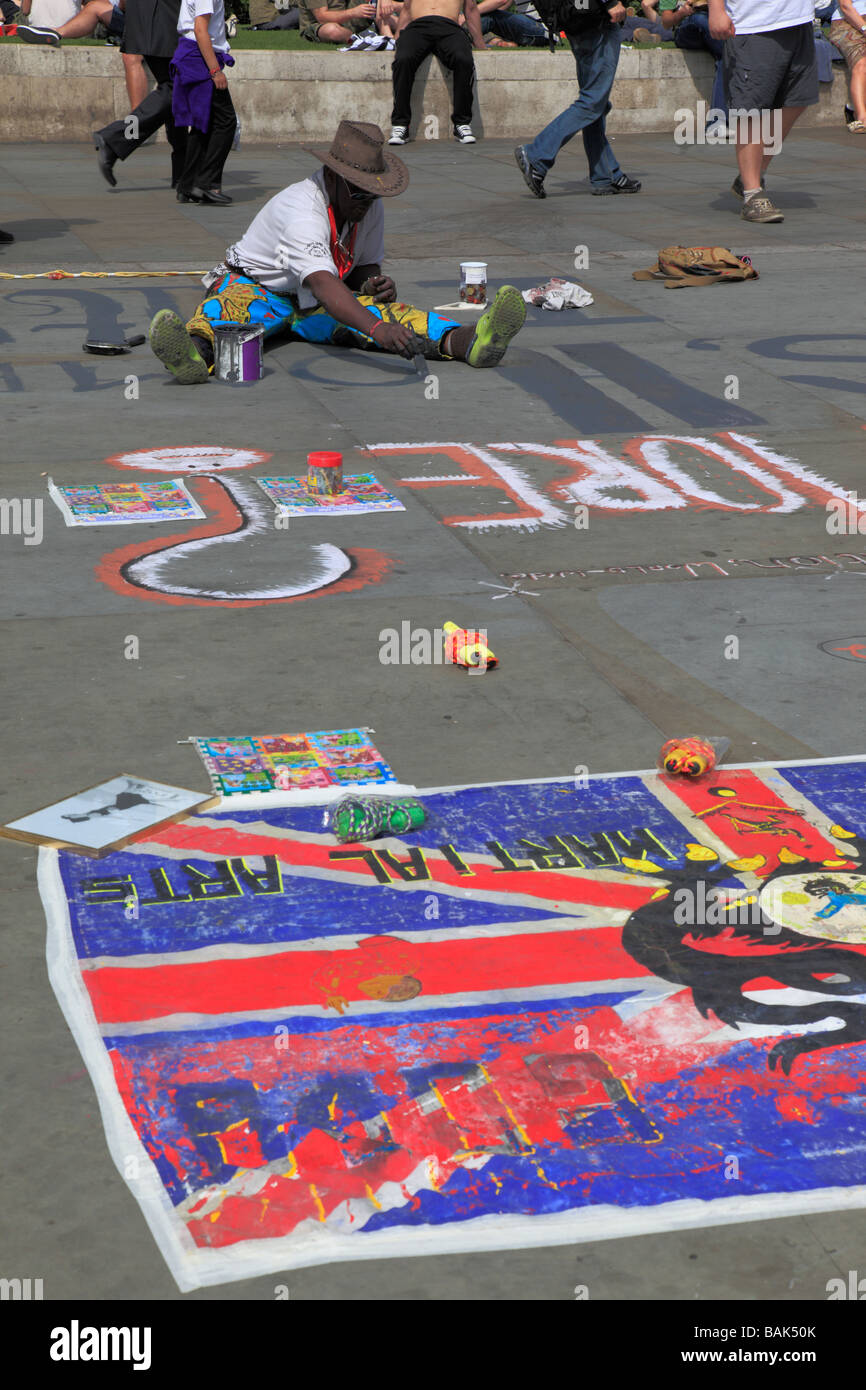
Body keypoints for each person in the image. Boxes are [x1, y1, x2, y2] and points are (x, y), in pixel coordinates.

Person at [148, 120, 526, 382]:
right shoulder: (301, 207)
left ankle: (469, 343)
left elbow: (358, 272)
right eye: (358, 192)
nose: (367, 202)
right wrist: (376, 329)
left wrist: (375, 287)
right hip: (256, 288)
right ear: (332, 177)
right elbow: (325, 285)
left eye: (373, 193)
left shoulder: (367, 206)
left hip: (312, 303)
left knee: (397, 316)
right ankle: (193, 355)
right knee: (226, 313)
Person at [514, 0, 642, 197]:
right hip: (597, 22)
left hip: (578, 20)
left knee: (595, 103)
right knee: (591, 102)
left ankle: (606, 175)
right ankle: (536, 155)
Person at [709, 0, 819, 222]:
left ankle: (750, 177)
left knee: (797, 100)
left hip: (798, 20)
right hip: (754, 24)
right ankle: (752, 194)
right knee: (750, 111)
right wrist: (716, 9)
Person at [90, 0, 188, 191]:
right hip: (164, 22)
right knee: (174, 89)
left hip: (146, 23)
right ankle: (115, 138)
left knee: (175, 97)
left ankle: (183, 174)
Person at [389, 0, 484, 144]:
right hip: (417, 27)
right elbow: (407, 9)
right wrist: (396, 41)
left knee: (463, 60)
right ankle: (400, 125)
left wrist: (480, 44)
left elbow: (470, 9)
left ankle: (462, 123)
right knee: (403, 59)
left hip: (449, 27)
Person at [171, 0, 236, 203]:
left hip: (193, 55)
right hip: (198, 58)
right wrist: (215, 70)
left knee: (204, 123)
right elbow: (201, 29)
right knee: (226, 121)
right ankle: (207, 184)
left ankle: (189, 184)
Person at [646, 0, 727, 123]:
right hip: (688, 26)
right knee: (698, 18)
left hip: (715, 24)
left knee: (725, 56)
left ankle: (718, 122)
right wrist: (682, 12)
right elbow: (666, 22)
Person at [827, 0, 866, 128]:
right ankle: (861, 118)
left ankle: (852, 107)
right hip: (847, 21)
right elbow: (845, 6)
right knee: (862, 61)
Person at [298, 0, 398, 44]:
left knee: (377, 6)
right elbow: (322, 17)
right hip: (320, 25)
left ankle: (391, 37)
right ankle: (362, 41)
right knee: (332, 30)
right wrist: (353, 12)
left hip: (347, 19)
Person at [476, 0, 547, 45]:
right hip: (537, 30)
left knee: (489, 15)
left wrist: (469, 14)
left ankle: (465, 39)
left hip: (542, 30)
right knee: (486, 14)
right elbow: (501, 6)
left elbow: (500, 1)